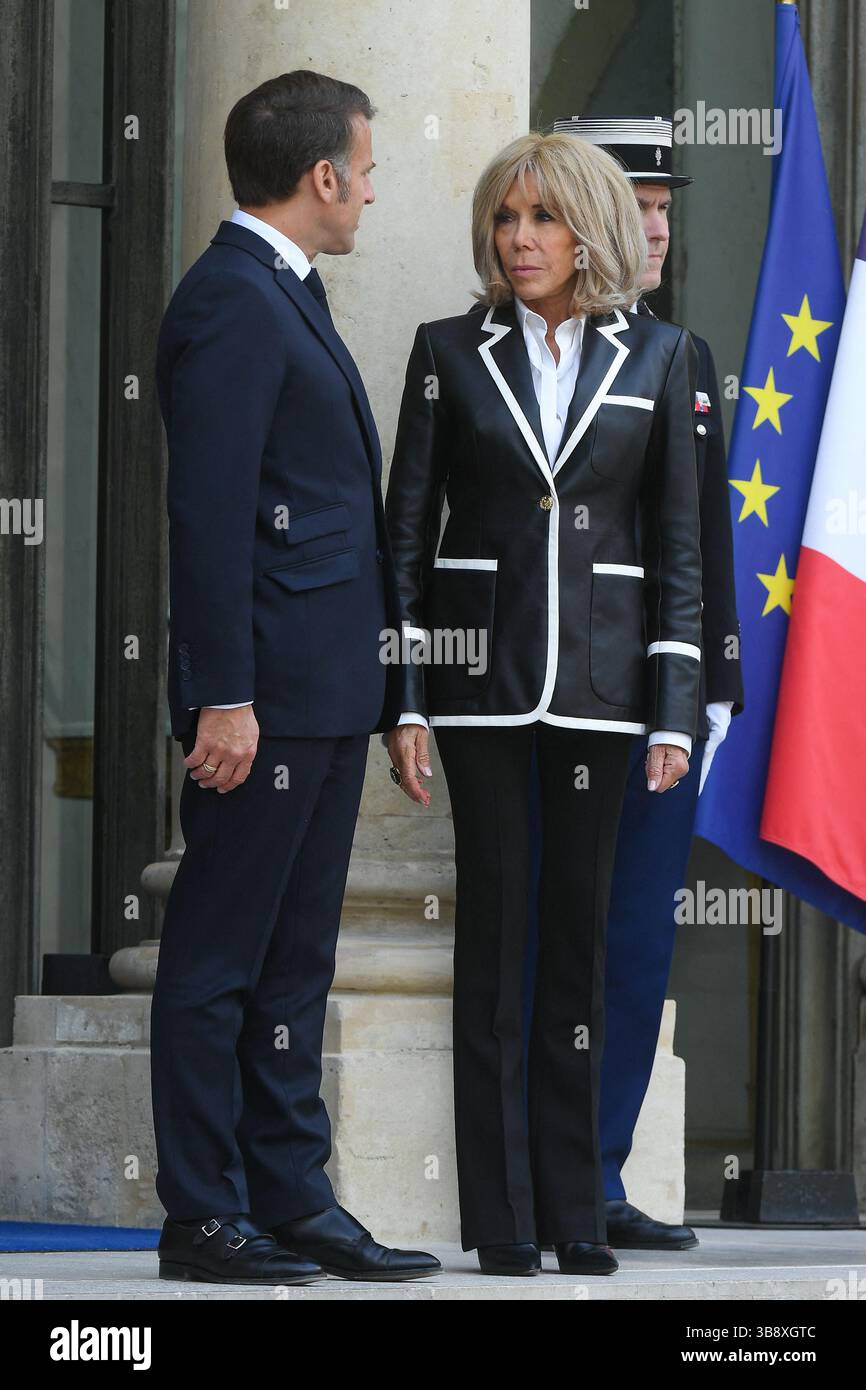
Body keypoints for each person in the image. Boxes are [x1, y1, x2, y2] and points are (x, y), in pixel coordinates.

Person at [384, 132, 703, 1276]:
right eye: (505, 220)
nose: (519, 241)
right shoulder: (444, 352)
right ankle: (502, 1221)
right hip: (479, 696)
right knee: (497, 952)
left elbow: (675, 549)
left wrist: (673, 707)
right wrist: (405, 700)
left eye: (541, 220)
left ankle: (577, 1208)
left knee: (578, 955)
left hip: (608, 699)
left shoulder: (661, 356)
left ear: (589, 231)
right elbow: (404, 542)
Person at [151, 69, 439, 1285]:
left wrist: (384, 693)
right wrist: (223, 692)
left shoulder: (285, 292)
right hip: (258, 703)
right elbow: (209, 519)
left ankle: (293, 1197)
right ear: (321, 176)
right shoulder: (230, 298)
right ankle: (201, 1214)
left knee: (293, 967)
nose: (372, 191)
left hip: (321, 696)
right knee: (220, 962)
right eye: (365, 170)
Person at [523, 114, 744, 1249]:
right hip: (547, 698)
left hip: (654, 701)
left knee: (631, 941)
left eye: (663, 210)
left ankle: (597, 1174)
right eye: (635, 207)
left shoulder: (679, 356)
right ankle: (531, 1176)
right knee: (545, 938)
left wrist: (706, 690)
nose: (654, 229)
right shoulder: (502, 353)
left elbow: (695, 538)